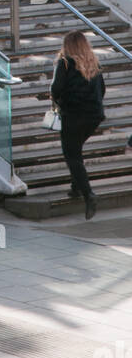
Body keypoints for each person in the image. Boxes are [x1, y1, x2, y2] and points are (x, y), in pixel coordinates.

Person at [50, 30, 106, 220]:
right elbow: (103, 89)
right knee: (76, 149)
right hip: (94, 116)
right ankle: (76, 187)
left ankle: (88, 194)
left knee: (71, 154)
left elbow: (56, 88)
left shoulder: (64, 63)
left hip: (74, 115)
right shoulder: (93, 62)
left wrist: (59, 101)